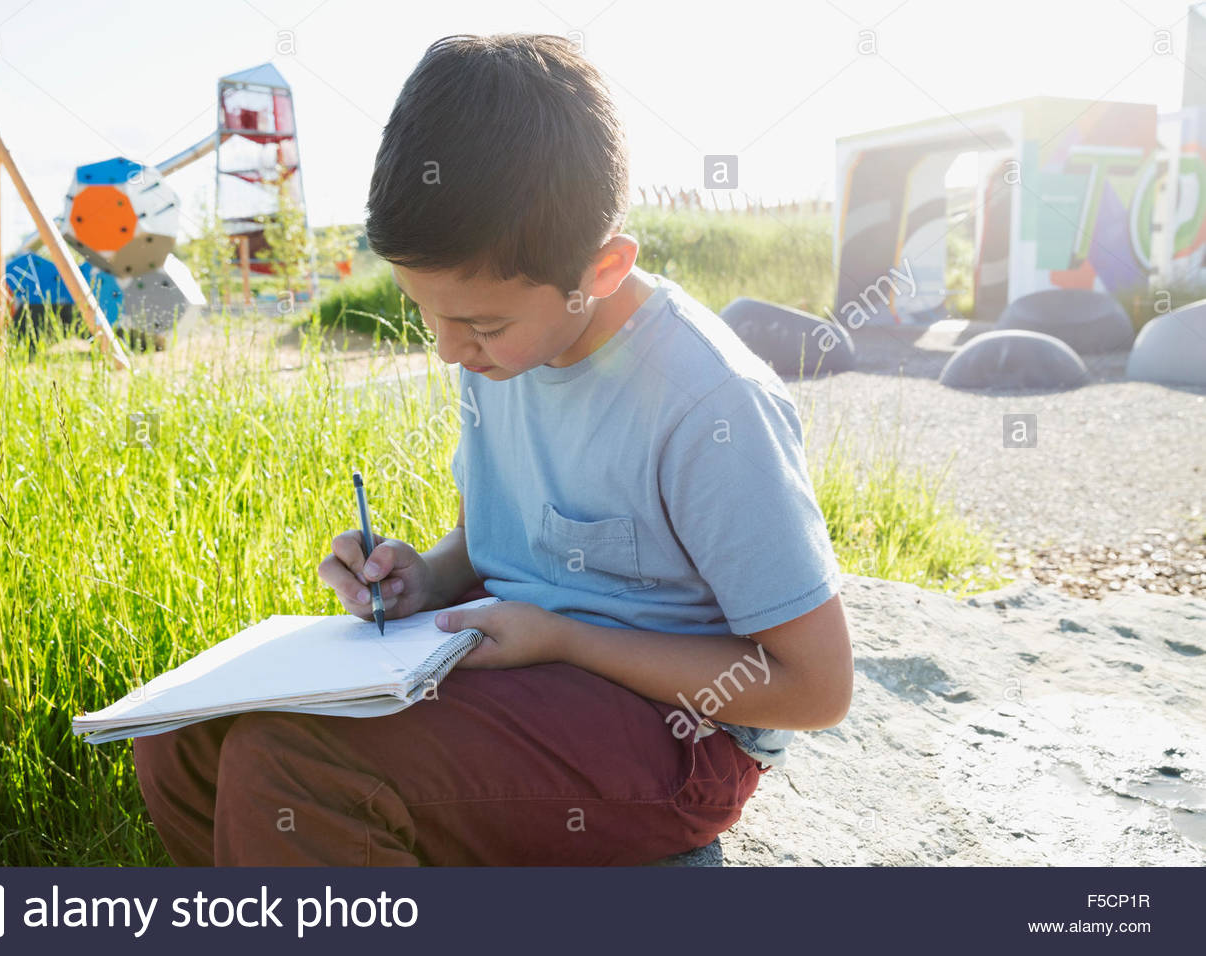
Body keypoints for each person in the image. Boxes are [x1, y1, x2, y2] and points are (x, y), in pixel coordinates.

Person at [132, 32, 853, 867]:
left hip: (675, 735)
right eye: (426, 313)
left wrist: (567, 639)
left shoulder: (709, 405)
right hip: (520, 677)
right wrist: (424, 577)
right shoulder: (509, 346)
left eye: (477, 323)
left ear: (604, 268)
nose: (447, 351)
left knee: (292, 769)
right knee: (184, 740)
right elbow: (498, 535)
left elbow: (816, 686)